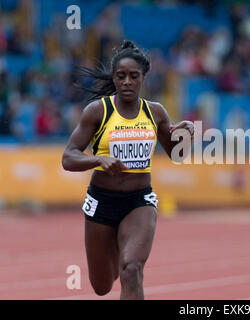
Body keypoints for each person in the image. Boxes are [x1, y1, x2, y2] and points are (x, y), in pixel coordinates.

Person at [62, 40, 194, 299]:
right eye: (121, 76)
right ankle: (113, 255)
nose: (127, 82)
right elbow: (68, 157)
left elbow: (177, 156)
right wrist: (98, 160)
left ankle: (125, 260)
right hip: (102, 202)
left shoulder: (155, 112)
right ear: (114, 78)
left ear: (143, 78)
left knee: (132, 269)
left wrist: (185, 137)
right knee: (102, 285)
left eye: (134, 76)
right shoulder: (98, 111)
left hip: (139, 201)